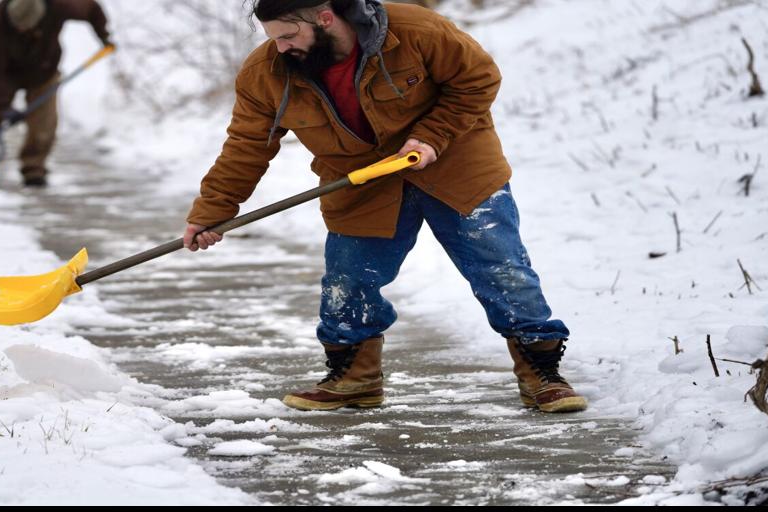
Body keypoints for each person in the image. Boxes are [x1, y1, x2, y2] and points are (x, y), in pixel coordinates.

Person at [182, 0, 585, 413]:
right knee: (349, 279)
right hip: (361, 180)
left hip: (456, 166)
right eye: (274, 39)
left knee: (501, 269)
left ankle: (543, 374)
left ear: (324, 18)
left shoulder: (415, 31)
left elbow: (478, 79)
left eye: (288, 36)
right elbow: (247, 145)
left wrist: (431, 136)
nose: (281, 48)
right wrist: (213, 210)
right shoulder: (266, 73)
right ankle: (354, 379)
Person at [0, 0, 111, 187]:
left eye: (27, 27)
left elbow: (91, 8)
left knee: (44, 125)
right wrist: (4, 107)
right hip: (5, 73)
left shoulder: (60, 5)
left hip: (43, 70)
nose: (23, 31)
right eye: (18, 27)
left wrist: (103, 35)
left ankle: (34, 169)